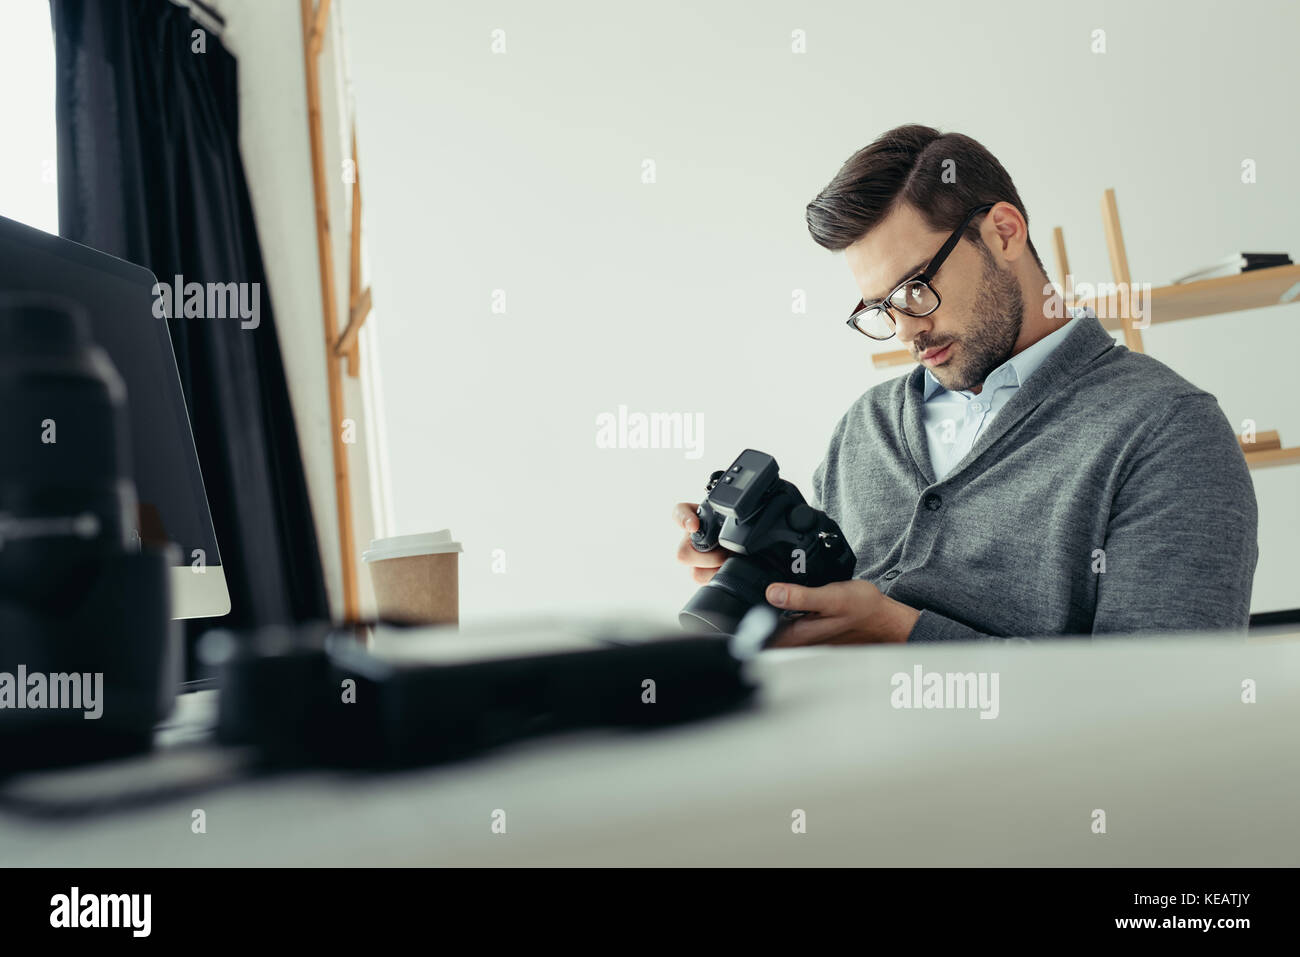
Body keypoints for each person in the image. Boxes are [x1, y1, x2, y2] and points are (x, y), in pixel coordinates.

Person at [674, 124, 1258, 645]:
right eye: (881, 309)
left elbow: (1166, 701)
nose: (907, 329)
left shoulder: (1168, 430)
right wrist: (757, 574)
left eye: (915, 288)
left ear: (1004, 233)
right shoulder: (863, 428)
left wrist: (903, 634)